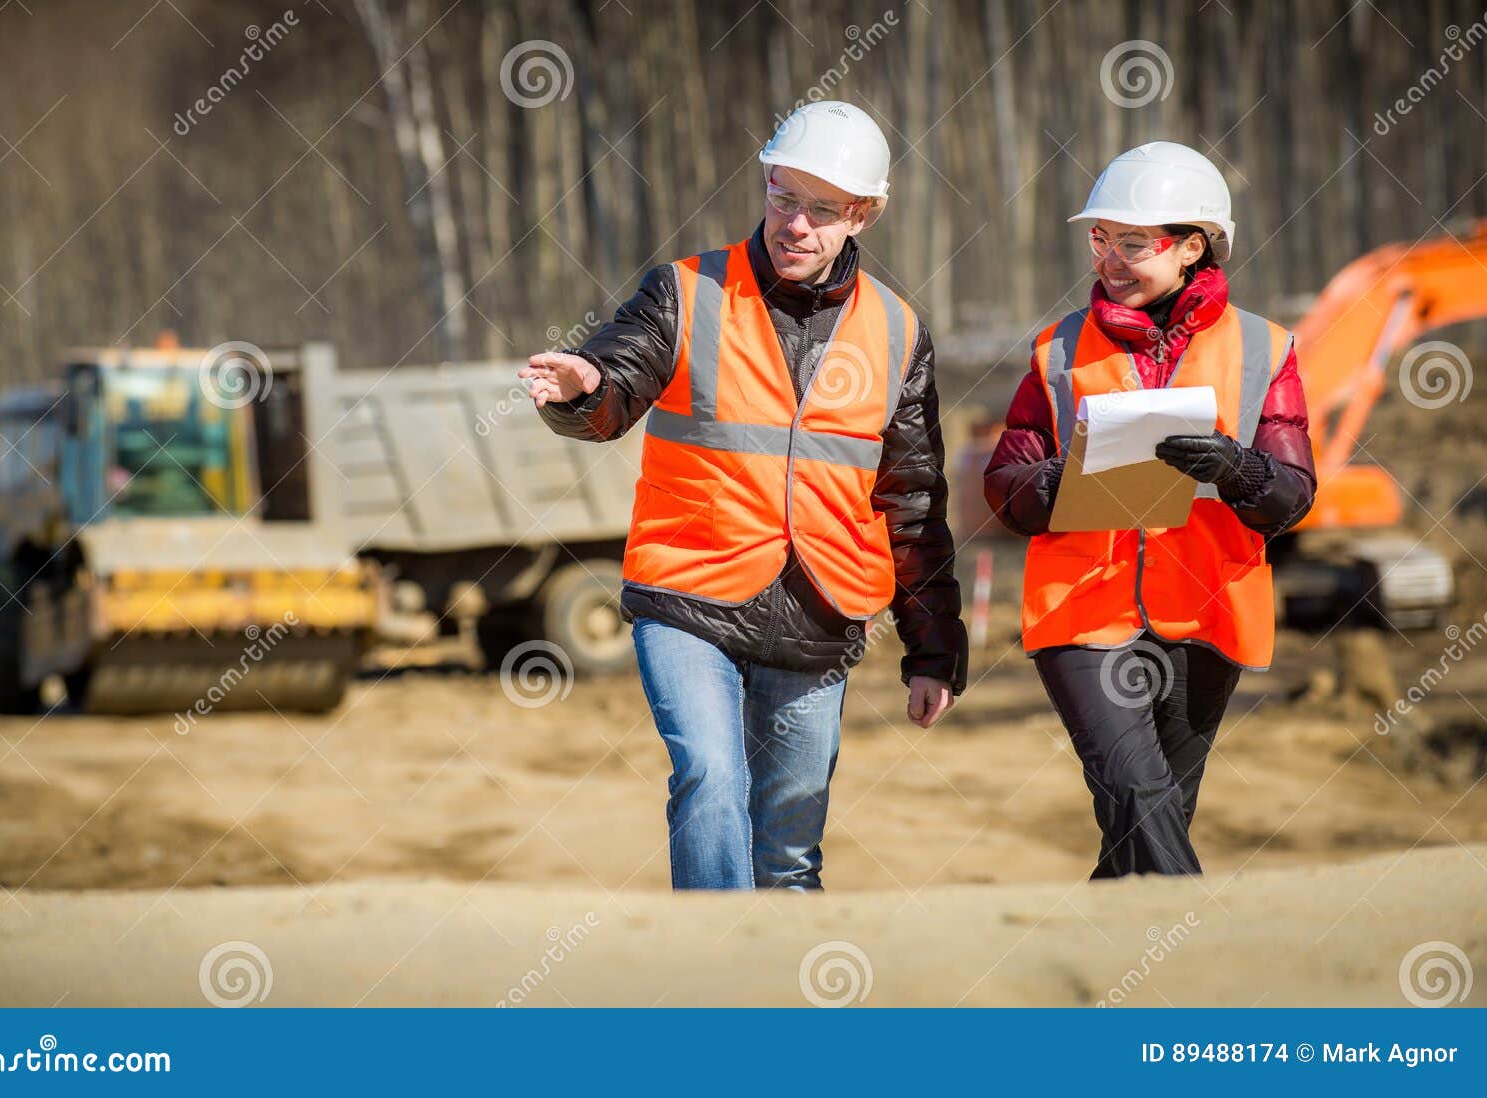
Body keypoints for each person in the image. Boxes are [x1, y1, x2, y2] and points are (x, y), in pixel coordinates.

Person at [521, 101, 968, 891]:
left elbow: (914, 500)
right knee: (711, 778)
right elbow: (619, 377)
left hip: (820, 611)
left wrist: (933, 647)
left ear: (863, 213)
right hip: (689, 591)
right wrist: (585, 388)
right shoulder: (687, 291)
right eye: (781, 196)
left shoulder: (897, 331)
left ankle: (777, 1004)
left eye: (821, 208)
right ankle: (715, 977)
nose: (795, 223)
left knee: (790, 854)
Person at [983, 141, 1316, 879]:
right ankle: (1205, 946)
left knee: (1146, 822)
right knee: (1140, 791)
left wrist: (1239, 468)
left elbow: (1292, 497)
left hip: (1208, 614)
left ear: (1192, 246)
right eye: (1101, 240)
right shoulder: (1057, 348)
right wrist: (1064, 481)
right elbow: (1007, 482)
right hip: (1080, 611)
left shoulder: (1264, 347)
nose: (1108, 258)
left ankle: (1120, 978)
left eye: (1132, 243)